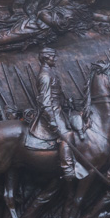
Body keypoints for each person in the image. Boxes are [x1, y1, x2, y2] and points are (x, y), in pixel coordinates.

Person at [35, 47, 76, 179]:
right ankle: (67, 168)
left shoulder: (51, 72)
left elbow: (56, 94)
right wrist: (52, 119)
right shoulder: (45, 76)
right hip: (52, 111)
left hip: (58, 108)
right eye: (53, 56)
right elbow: (45, 101)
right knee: (67, 135)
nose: (55, 58)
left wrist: (66, 102)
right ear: (46, 58)